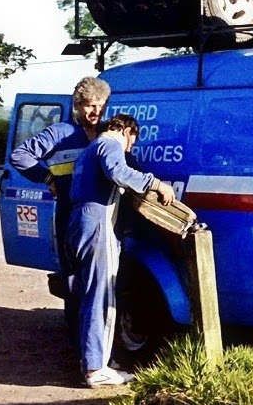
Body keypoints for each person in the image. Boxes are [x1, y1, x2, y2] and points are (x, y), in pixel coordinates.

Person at [66, 113, 175, 387]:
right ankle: (97, 369)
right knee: (102, 297)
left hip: (80, 224)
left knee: (91, 295)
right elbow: (117, 171)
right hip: (98, 226)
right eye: (131, 143)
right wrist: (155, 183)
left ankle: (93, 359)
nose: (130, 150)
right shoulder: (109, 143)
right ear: (126, 130)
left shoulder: (88, 151)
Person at [9, 76, 111, 355]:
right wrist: (45, 176)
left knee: (99, 286)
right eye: (89, 106)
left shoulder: (107, 134)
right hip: (68, 217)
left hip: (99, 219)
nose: (95, 112)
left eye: (100, 106)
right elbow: (20, 155)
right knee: (74, 283)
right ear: (77, 106)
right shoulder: (60, 132)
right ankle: (78, 350)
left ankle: (94, 351)